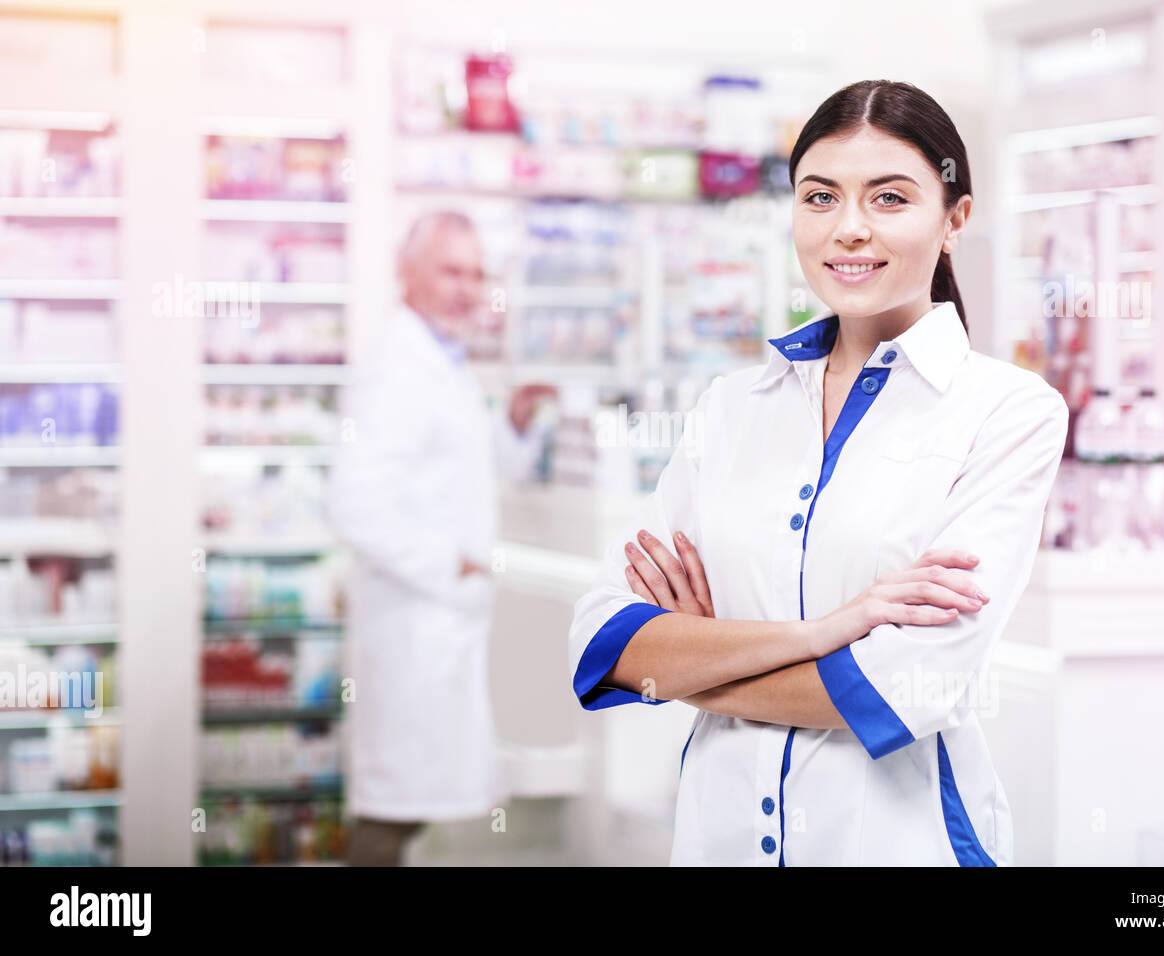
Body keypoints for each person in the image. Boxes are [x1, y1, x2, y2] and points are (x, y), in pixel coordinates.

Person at [567, 80, 1068, 866]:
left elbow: (909, 686)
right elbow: (603, 639)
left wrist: (697, 659)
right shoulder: (733, 405)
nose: (850, 229)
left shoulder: (1008, 413)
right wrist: (824, 632)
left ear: (955, 219)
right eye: (821, 197)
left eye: (891, 198)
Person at [329, 210, 553, 866]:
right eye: (449, 271)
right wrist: (448, 568)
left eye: (476, 274)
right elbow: (354, 503)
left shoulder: (441, 359)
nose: (466, 288)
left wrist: (509, 426)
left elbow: (460, 471)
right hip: (414, 621)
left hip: (437, 625)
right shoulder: (398, 366)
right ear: (407, 274)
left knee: (412, 806)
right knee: (392, 811)